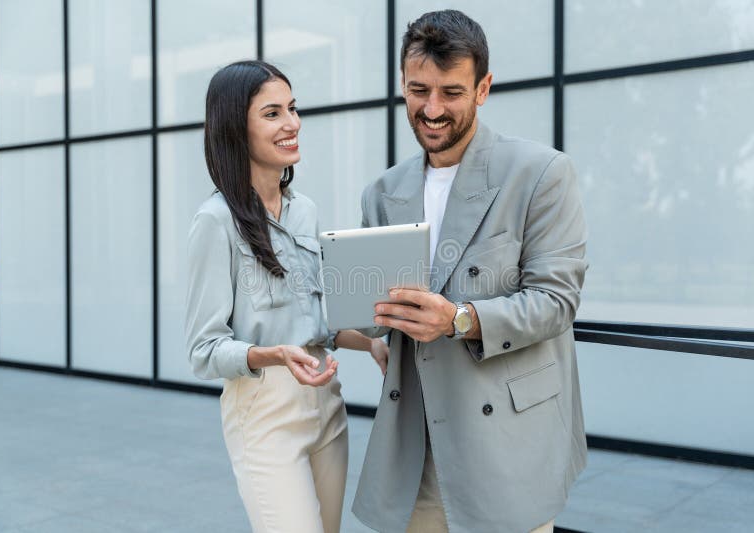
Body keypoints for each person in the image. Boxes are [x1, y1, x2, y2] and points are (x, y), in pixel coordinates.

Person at [352, 11, 588, 533]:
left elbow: (556, 301)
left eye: (451, 92)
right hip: (414, 443)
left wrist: (458, 319)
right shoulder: (381, 193)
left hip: (504, 443)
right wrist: (369, 322)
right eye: (419, 90)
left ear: (483, 88)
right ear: (402, 85)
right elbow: (372, 316)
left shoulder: (540, 173)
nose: (432, 109)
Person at [184, 60, 388, 533]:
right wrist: (273, 355)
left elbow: (317, 319)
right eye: (272, 113)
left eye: (292, 109)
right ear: (237, 127)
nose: (292, 124)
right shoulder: (215, 222)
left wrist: (372, 341)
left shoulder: (305, 211)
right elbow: (202, 351)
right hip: (264, 418)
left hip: (327, 408)